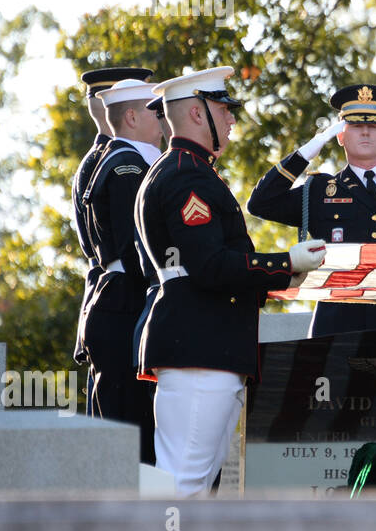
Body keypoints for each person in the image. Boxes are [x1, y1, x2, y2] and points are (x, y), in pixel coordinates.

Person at [135, 67, 327, 496]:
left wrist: (286, 274)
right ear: (197, 114)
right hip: (200, 347)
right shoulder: (187, 175)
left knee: (195, 488)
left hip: (206, 346)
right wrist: (283, 262)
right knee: (183, 487)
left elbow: (217, 264)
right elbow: (210, 266)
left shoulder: (189, 169)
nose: (231, 119)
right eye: (224, 109)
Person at [247, 84, 376, 338]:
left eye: (374, 126)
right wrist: (311, 148)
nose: (365, 132)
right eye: (355, 126)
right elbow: (260, 203)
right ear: (340, 136)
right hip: (333, 332)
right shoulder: (319, 190)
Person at [78, 78, 164, 463]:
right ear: (131, 116)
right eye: (155, 110)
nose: (164, 118)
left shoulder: (128, 159)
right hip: (125, 302)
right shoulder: (128, 165)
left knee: (133, 438)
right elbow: (137, 252)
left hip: (120, 301)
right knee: (130, 443)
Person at [70, 66, 153, 372]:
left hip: (112, 297)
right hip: (121, 297)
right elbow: (128, 243)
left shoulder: (102, 157)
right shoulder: (118, 161)